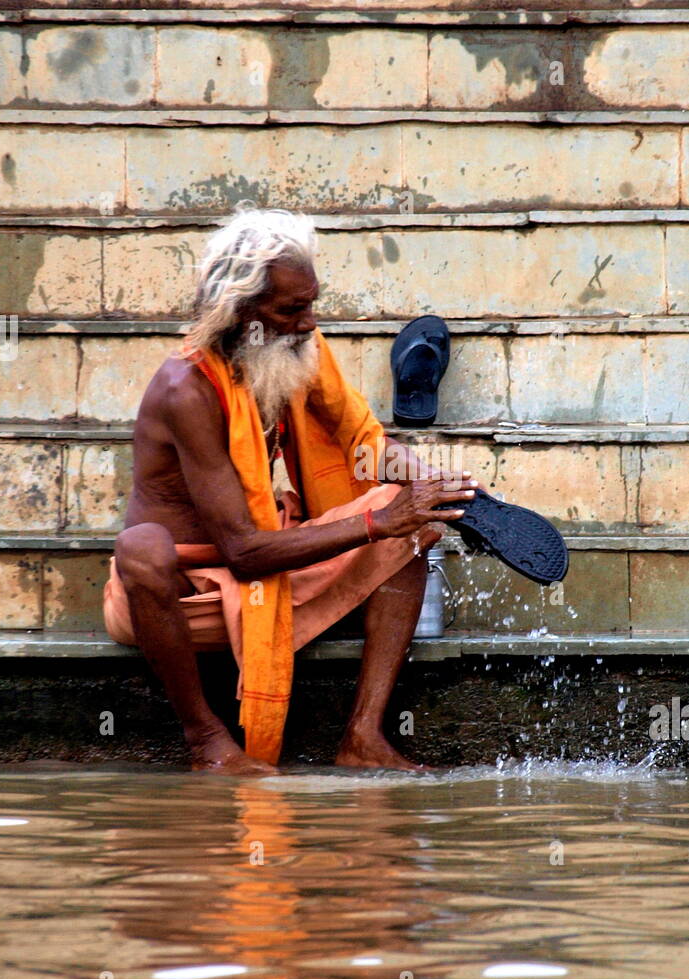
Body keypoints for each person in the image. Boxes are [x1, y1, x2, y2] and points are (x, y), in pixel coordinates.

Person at [102, 207, 477, 774]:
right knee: (141, 548)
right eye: (290, 309)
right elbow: (242, 553)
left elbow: (362, 443)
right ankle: (207, 741)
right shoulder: (186, 390)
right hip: (185, 596)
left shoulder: (293, 351)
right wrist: (381, 522)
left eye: (310, 304)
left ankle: (363, 737)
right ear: (240, 312)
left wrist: (429, 483)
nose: (308, 323)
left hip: (271, 566)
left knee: (409, 525)